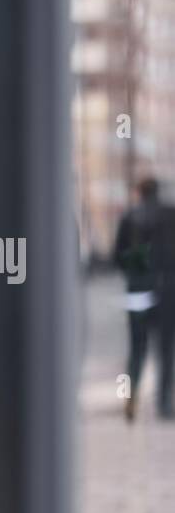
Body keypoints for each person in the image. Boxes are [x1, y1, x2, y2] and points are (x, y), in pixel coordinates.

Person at [113, 177, 175, 421]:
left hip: (138, 289)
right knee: (166, 348)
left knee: (136, 348)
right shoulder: (171, 215)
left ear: (140, 191)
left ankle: (131, 401)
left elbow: (117, 256)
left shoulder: (129, 217)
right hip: (167, 289)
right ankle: (163, 402)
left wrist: (135, 273)